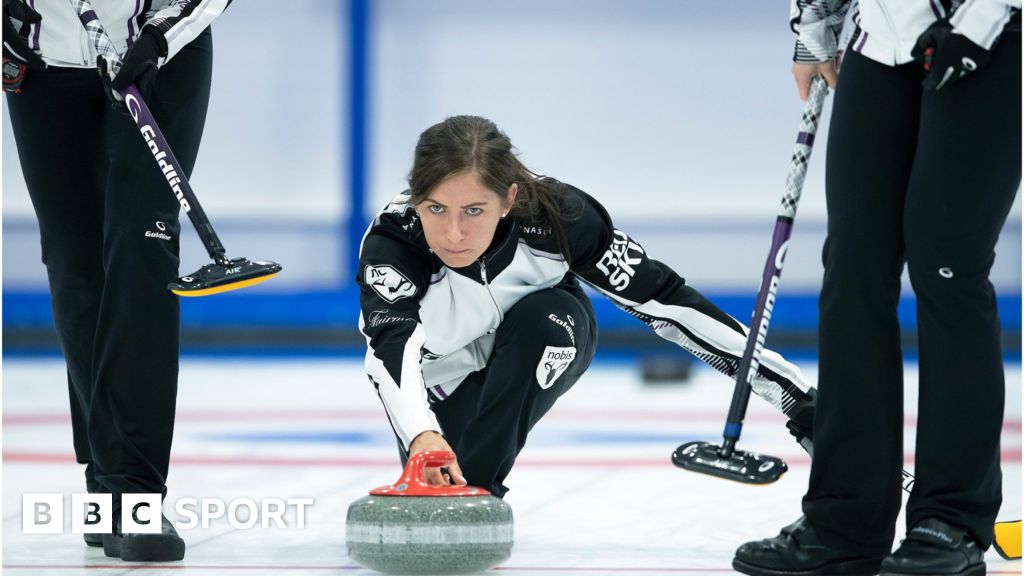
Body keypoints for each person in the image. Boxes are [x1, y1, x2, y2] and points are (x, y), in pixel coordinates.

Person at [356, 115, 818, 497]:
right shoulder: (394, 242)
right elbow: (391, 348)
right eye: (436, 209)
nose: (453, 234)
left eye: (473, 210)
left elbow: (669, 302)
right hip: (440, 381)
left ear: (509, 198)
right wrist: (421, 433)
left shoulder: (560, 218)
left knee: (547, 322)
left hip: (544, 336)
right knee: (435, 469)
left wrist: (798, 400)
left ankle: (478, 491)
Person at [734, 1, 1021, 575]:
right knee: (853, 268)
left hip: (987, 37)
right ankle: (843, 520)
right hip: (881, 39)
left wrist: (985, 18)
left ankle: (953, 519)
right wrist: (814, 25)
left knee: (947, 267)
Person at [3, 0, 231, 562]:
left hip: (158, 55)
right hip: (38, 63)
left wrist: (160, 35)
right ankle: (104, 480)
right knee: (75, 265)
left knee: (141, 250)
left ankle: (136, 492)